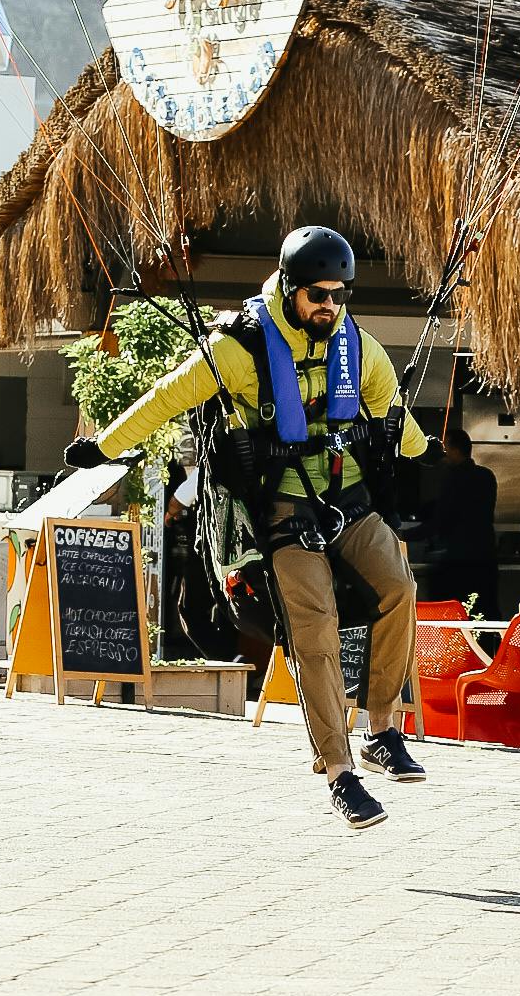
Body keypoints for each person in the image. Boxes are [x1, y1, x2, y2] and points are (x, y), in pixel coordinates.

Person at [66, 226, 429, 829]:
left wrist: (409, 444)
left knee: (399, 587)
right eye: (317, 295)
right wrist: (104, 447)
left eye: (339, 295)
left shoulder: (359, 348)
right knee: (315, 628)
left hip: (346, 498)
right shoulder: (239, 349)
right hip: (281, 510)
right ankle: (341, 773)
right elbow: (166, 398)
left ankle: (383, 730)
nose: (329, 307)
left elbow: (399, 423)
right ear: (288, 289)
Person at [424, 423, 500, 614]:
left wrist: (407, 534)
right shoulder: (486, 476)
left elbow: (441, 519)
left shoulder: (453, 479)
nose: (444, 453)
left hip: (460, 559)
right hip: (485, 555)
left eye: (446, 448)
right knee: (485, 609)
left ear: (455, 450)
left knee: (449, 610)